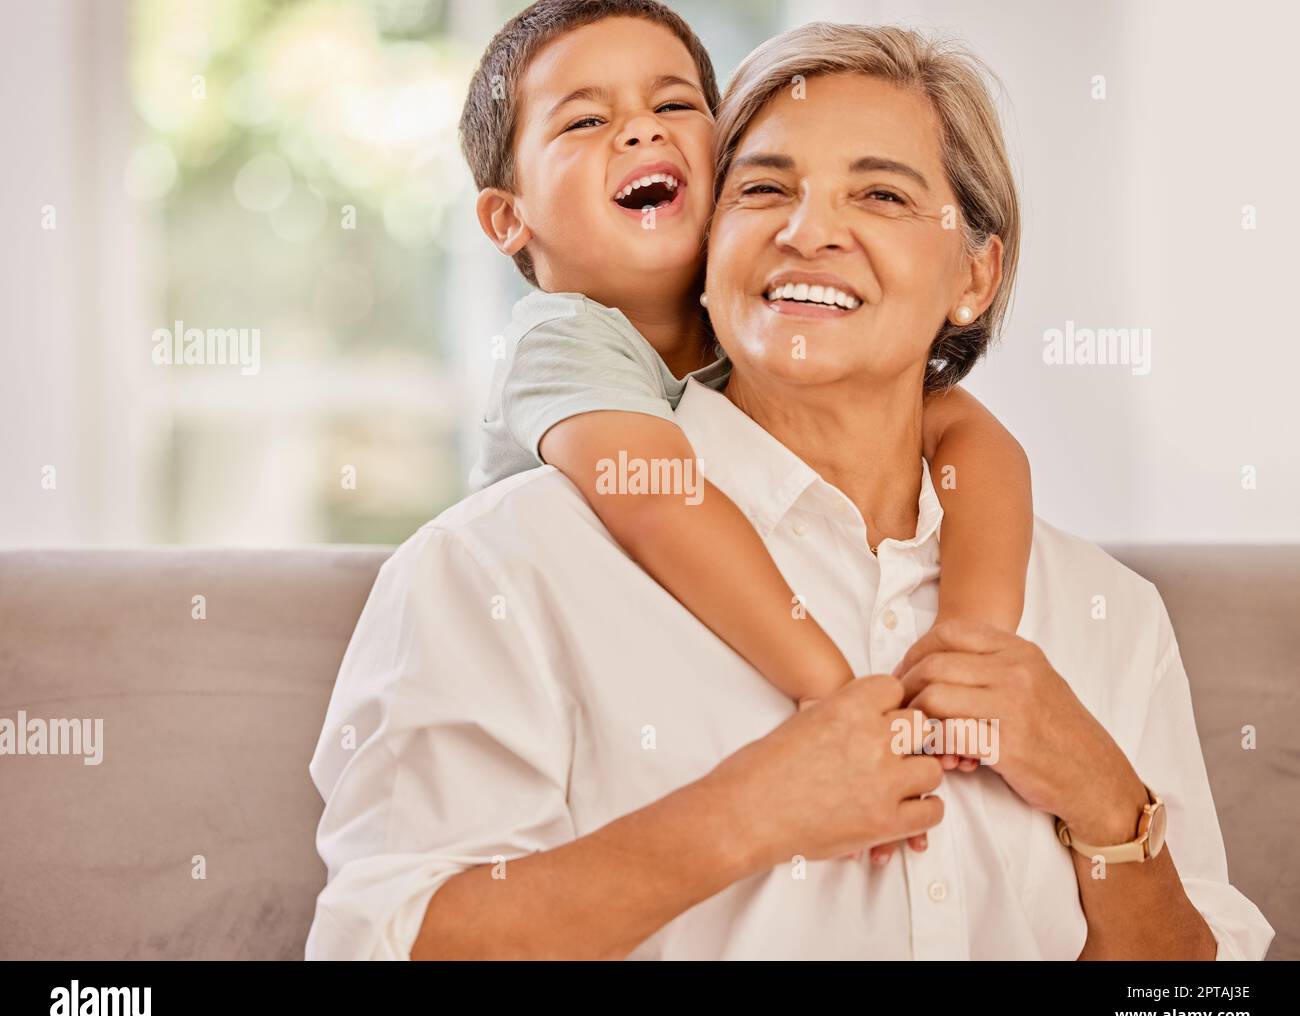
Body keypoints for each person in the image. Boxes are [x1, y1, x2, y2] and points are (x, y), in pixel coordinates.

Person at [305, 22, 1273, 960]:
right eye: (764, 188)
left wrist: (1107, 803)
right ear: (707, 243)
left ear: (975, 274)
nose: (811, 232)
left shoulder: (1107, 618)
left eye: (883, 197)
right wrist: (745, 814)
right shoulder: (494, 571)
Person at [460, 0, 1033, 729]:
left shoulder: (754, 324)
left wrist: (975, 642)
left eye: (673, 102)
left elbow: (976, 442)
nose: (642, 128)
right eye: (584, 121)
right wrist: (835, 689)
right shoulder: (560, 341)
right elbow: (661, 502)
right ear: (510, 219)